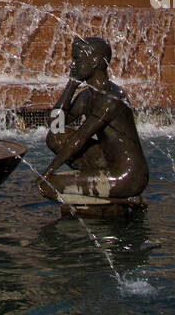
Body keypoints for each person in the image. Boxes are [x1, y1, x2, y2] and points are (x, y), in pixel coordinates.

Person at [37, 36, 149, 203]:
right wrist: (71, 85)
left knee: (47, 185)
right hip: (107, 162)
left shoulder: (111, 99)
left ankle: (119, 201)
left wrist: (47, 172)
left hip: (129, 175)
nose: (72, 65)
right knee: (55, 137)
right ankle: (101, 191)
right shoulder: (87, 96)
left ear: (95, 62)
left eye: (77, 59)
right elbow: (55, 125)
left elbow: (79, 140)